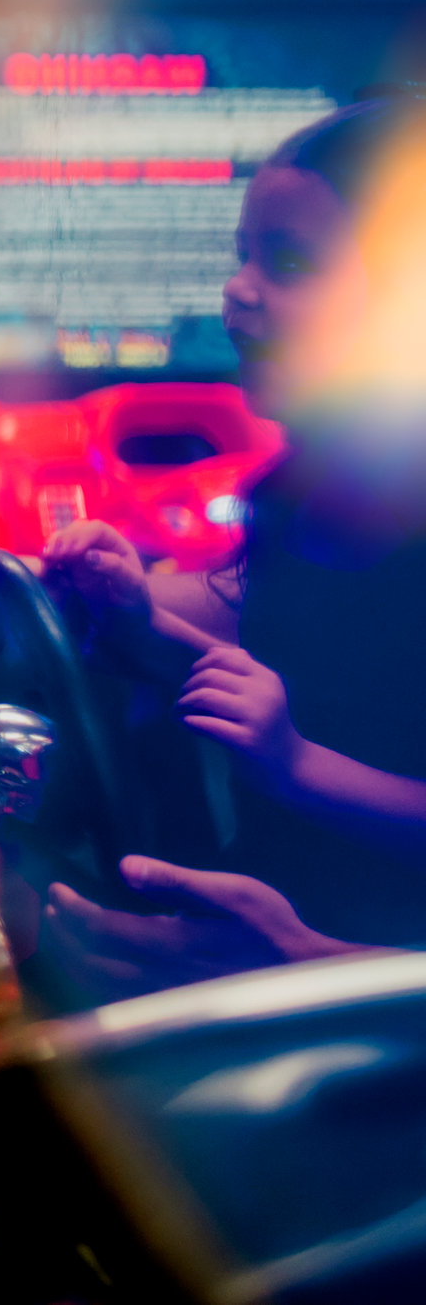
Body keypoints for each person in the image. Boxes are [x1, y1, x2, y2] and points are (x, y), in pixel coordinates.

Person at [32, 96, 426, 985]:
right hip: (280, 916)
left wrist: (298, 765)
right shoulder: (308, 488)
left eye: (287, 263)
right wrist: (132, 620)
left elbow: (300, 731)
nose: (238, 289)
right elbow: (310, 662)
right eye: (242, 256)